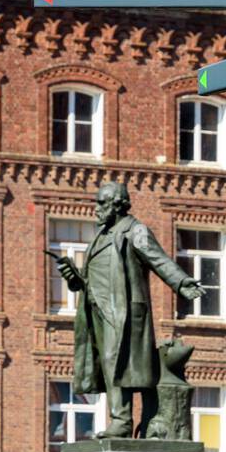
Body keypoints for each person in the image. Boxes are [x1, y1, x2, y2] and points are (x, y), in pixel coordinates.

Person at [53, 181, 204, 438]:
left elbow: (159, 259)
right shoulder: (100, 236)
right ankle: (120, 419)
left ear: (117, 204)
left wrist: (182, 282)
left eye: (102, 203)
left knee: (116, 362)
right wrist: (73, 279)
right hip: (97, 310)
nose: (96, 208)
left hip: (122, 313)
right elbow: (90, 279)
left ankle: (122, 421)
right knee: (107, 363)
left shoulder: (136, 231)